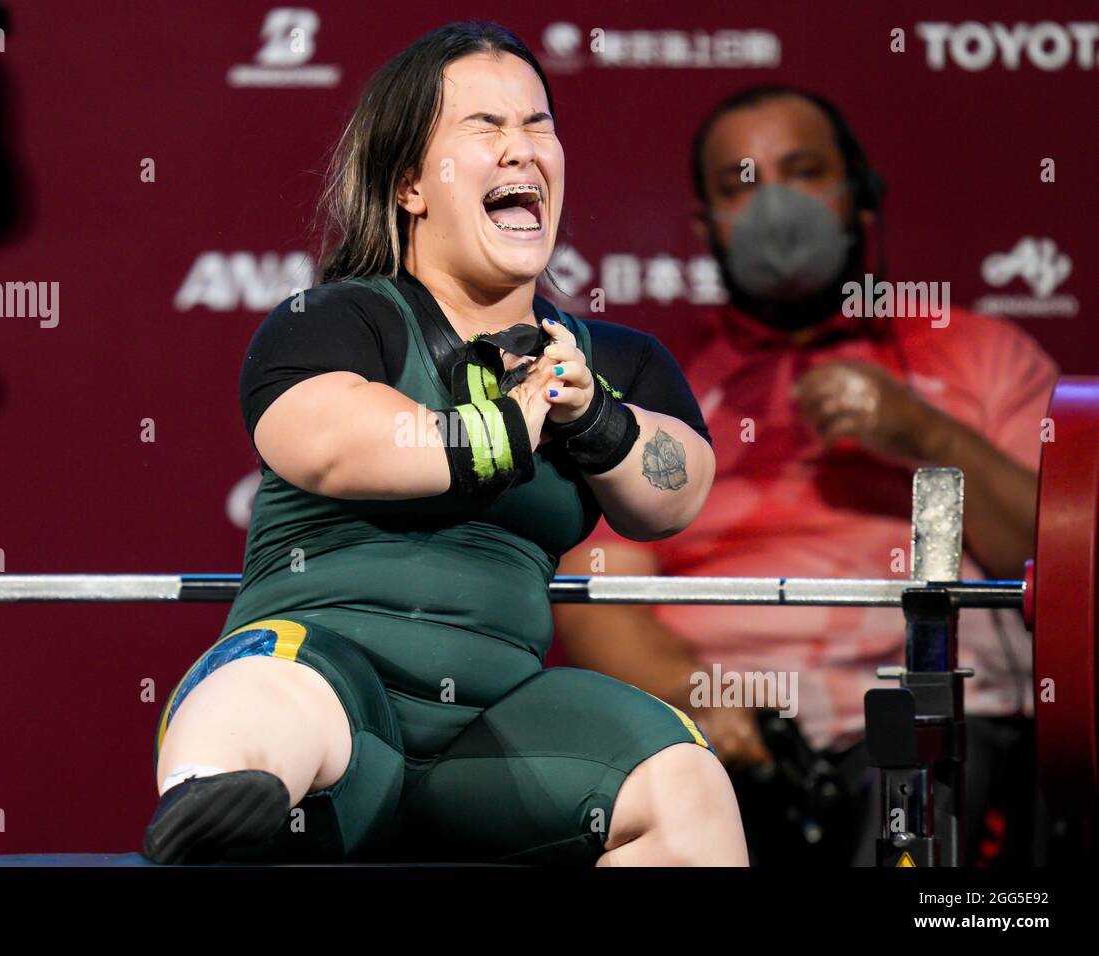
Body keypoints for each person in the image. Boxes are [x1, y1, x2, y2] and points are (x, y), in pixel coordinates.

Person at [143, 21, 747, 866]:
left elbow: (674, 489)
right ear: (411, 186)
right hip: (333, 706)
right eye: (485, 127)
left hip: (494, 738)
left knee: (686, 785)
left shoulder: (615, 362)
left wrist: (594, 418)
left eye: (537, 124)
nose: (521, 150)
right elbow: (321, 441)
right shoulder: (338, 321)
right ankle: (219, 797)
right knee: (269, 690)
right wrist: (502, 428)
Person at [553, 85, 1057, 865]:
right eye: (740, 184)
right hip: (725, 734)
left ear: (860, 193)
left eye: (803, 170)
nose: (773, 206)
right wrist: (708, 702)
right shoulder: (652, 385)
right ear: (704, 224)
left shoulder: (982, 355)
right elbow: (598, 600)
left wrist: (926, 432)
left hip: (936, 724)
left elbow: (1059, 568)